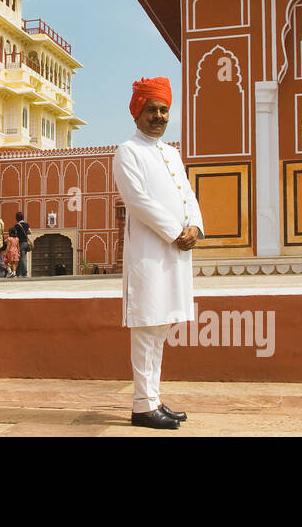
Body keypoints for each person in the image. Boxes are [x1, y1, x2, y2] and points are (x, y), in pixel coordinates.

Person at [113, 76, 203, 430]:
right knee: (146, 327)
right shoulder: (128, 152)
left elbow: (188, 195)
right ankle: (143, 404)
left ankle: (152, 399)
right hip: (150, 254)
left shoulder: (172, 153)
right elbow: (138, 201)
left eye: (164, 109)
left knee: (161, 326)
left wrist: (194, 226)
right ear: (137, 113)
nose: (159, 116)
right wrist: (174, 231)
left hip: (175, 253)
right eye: (152, 109)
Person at [10, 211, 31, 277]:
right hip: (26, 243)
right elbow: (30, 232)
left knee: (22, 258)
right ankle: (18, 273)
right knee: (21, 258)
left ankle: (24, 273)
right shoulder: (26, 224)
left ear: (17, 218)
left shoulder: (16, 226)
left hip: (20, 243)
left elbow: (15, 235)